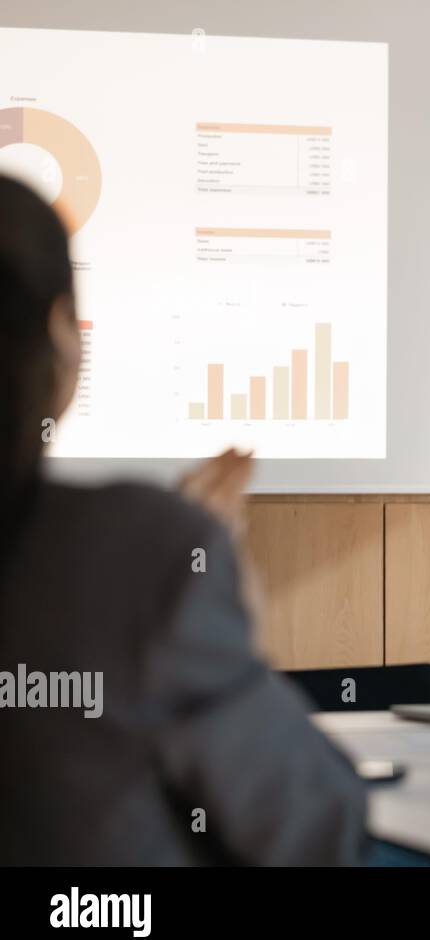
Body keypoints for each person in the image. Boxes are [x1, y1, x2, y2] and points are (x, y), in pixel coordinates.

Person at [0, 174, 369, 864]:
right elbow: (316, 827)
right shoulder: (141, 554)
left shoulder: (145, 552)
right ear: (59, 332)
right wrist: (207, 589)